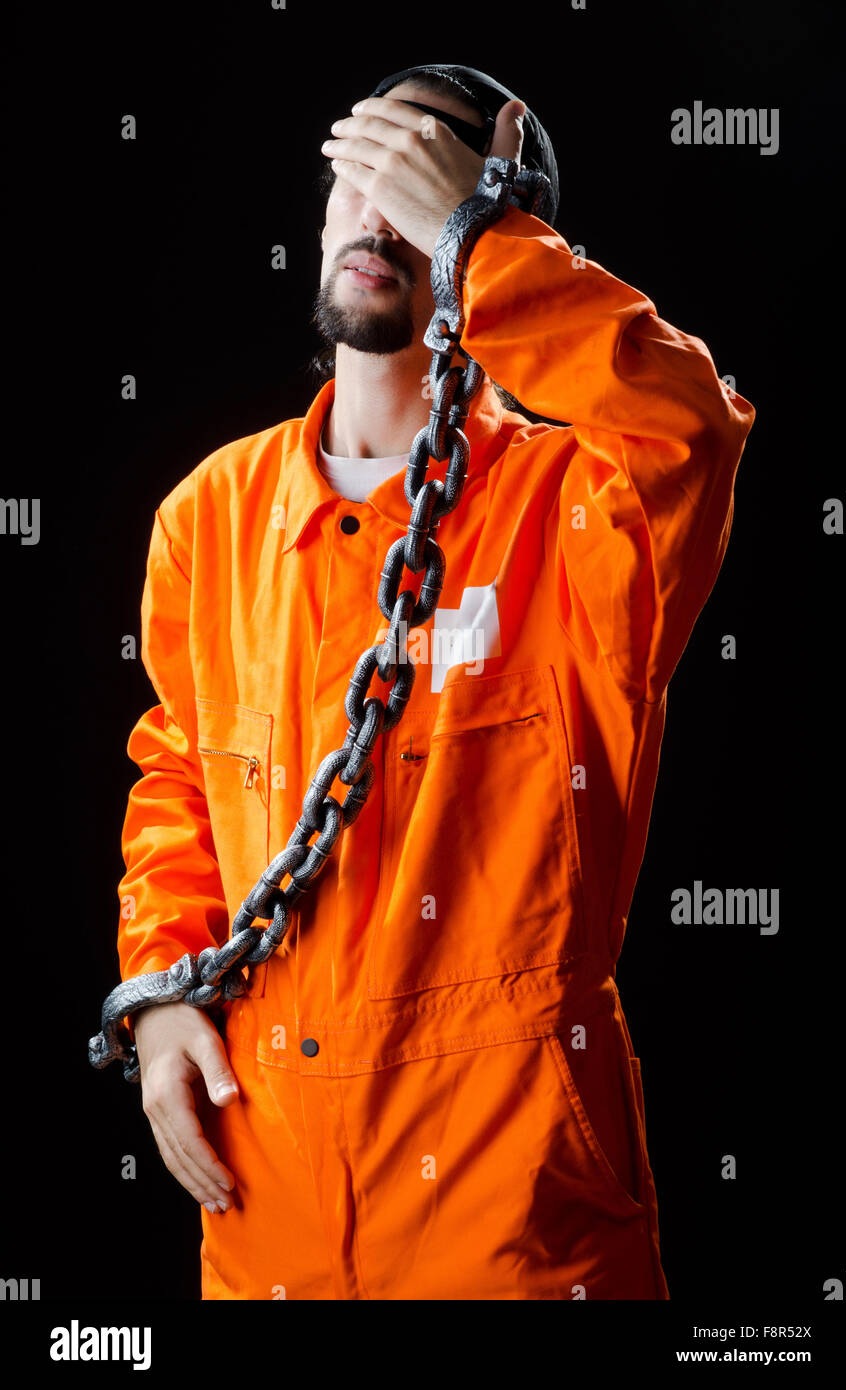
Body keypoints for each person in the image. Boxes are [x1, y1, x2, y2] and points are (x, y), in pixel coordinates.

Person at [119, 63, 755, 1300]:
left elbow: (691, 426)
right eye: (364, 174)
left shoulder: (582, 510)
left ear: (493, 241)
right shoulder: (211, 516)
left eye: (429, 188)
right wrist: (155, 998)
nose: (381, 215)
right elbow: (182, 776)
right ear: (317, 218)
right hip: (268, 1205)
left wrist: (482, 237)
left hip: (511, 1212)